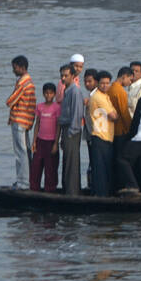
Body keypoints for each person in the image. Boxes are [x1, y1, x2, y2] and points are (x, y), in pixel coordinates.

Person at [6, 56, 37, 188]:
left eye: (15, 68)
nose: (14, 70)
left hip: (20, 121)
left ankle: (23, 182)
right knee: (24, 151)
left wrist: (9, 101)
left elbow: (10, 101)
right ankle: (24, 180)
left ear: (22, 67)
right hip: (25, 121)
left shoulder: (23, 83)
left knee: (21, 153)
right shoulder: (28, 82)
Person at [86, 70, 118, 198]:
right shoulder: (98, 97)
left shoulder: (105, 96)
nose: (105, 85)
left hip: (106, 137)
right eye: (102, 83)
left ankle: (102, 194)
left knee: (104, 168)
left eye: (107, 83)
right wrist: (115, 115)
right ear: (97, 83)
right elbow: (114, 116)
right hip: (100, 137)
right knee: (100, 170)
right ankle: (101, 196)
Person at [57, 63, 86, 195]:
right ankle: (68, 189)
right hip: (67, 130)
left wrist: (70, 132)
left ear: (73, 76)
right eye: (62, 76)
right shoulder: (67, 90)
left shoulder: (75, 91)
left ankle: (72, 192)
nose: (63, 78)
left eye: (66, 76)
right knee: (68, 161)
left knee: (72, 162)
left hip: (72, 130)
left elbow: (77, 113)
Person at [30, 82, 62, 192]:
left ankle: (50, 190)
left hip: (51, 142)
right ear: (43, 94)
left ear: (54, 94)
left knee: (51, 168)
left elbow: (58, 126)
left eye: (51, 93)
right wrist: (34, 141)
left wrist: (56, 143)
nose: (48, 95)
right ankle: (34, 189)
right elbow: (37, 124)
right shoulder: (39, 107)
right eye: (46, 93)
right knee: (36, 167)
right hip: (40, 141)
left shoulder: (57, 108)